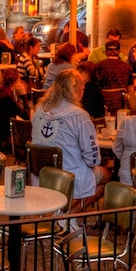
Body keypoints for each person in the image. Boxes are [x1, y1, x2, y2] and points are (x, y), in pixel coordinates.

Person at [31, 68, 110, 210]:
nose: (83, 91)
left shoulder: (39, 110)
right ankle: (71, 216)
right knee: (108, 176)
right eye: (82, 88)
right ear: (74, 90)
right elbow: (93, 160)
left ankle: (64, 214)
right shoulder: (79, 116)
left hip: (40, 176)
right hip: (68, 176)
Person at [0, 68, 28, 155]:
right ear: (14, 81)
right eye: (19, 80)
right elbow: (25, 116)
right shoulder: (7, 98)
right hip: (3, 136)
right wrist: (23, 95)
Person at [88, 38, 133, 114]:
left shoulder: (98, 66)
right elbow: (131, 89)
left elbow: (94, 87)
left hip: (102, 105)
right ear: (119, 52)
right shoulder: (127, 67)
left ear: (105, 52)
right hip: (121, 104)